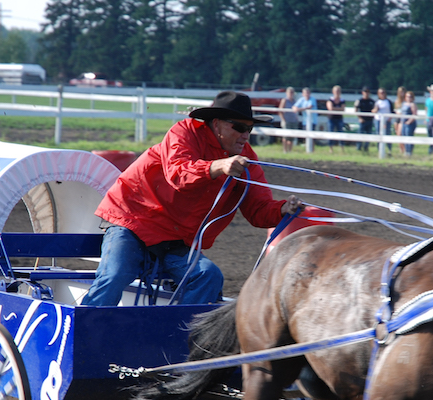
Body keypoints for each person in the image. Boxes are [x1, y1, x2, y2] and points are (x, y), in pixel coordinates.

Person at [81, 91, 303, 307]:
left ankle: (176, 338)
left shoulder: (246, 161)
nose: (246, 135)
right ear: (216, 124)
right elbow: (178, 174)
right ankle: (83, 332)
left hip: (175, 238)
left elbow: (258, 210)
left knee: (208, 276)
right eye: (239, 127)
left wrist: (283, 209)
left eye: (250, 129)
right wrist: (218, 166)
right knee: (116, 275)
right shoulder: (184, 132)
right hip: (132, 220)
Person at [355, 86, 376, 152]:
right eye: (365, 92)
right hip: (362, 120)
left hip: (370, 120)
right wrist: (360, 118)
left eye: (367, 92)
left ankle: (366, 148)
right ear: (362, 92)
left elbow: (374, 110)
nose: (366, 93)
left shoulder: (372, 101)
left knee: (369, 135)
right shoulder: (360, 101)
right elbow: (356, 110)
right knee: (360, 134)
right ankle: (358, 147)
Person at [279, 86, 299, 153]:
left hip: (293, 120)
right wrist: (283, 120)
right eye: (290, 92)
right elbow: (280, 110)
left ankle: (290, 150)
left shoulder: (294, 101)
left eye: (292, 92)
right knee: (285, 136)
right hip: (286, 120)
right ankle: (285, 150)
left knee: (292, 137)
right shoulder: (284, 100)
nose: (291, 94)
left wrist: (296, 118)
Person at [374, 87, 394, 152]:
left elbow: (392, 111)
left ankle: (389, 150)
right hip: (378, 120)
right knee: (378, 134)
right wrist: (376, 109)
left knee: (388, 134)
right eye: (380, 93)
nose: (382, 94)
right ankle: (379, 149)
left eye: (383, 93)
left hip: (387, 121)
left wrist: (389, 119)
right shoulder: (377, 102)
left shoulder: (388, 101)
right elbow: (373, 111)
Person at [326, 85, 346, 151]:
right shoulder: (330, 100)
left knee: (341, 133)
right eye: (336, 91)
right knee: (330, 132)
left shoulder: (342, 100)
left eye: (338, 91)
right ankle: (330, 147)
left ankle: (342, 147)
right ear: (333, 92)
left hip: (339, 118)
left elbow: (343, 109)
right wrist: (338, 109)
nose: (337, 92)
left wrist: (335, 109)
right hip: (331, 118)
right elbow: (330, 108)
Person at [399, 90, 417, 157]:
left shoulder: (412, 104)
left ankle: (409, 151)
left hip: (409, 123)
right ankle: (406, 151)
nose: (409, 98)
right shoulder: (404, 104)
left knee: (409, 136)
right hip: (403, 123)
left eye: (410, 97)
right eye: (407, 96)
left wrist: (409, 121)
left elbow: (414, 114)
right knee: (404, 136)